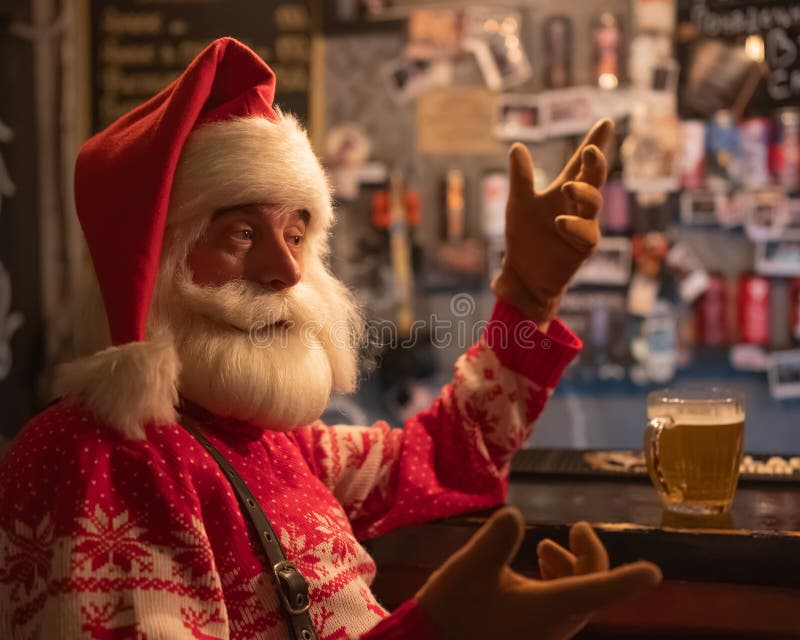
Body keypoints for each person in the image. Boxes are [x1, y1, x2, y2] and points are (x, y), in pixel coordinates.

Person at [0, 38, 660, 639]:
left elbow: (442, 458)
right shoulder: (105, 459)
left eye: (296, 234)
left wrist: (527, 295)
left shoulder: (271, 441)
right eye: (242, 233)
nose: (285, 270)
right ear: (154, 260)